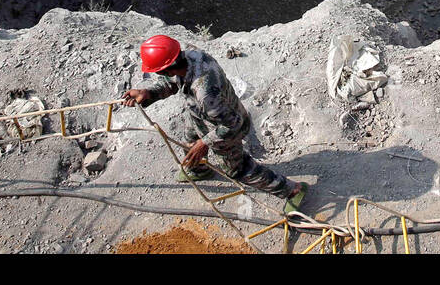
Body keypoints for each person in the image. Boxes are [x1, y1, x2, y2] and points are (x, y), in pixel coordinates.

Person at [121, 34, 306, 210]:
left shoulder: (205, 94)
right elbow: (174, 81)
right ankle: (200, 169)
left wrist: (205, 143)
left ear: (167, 68)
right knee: (189, 137)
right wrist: (149, 93)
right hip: (201, 115)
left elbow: (232, 124)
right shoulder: (190, 55)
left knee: (237, 169)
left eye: (159, 72)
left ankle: (293, 190)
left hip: (225, 126)